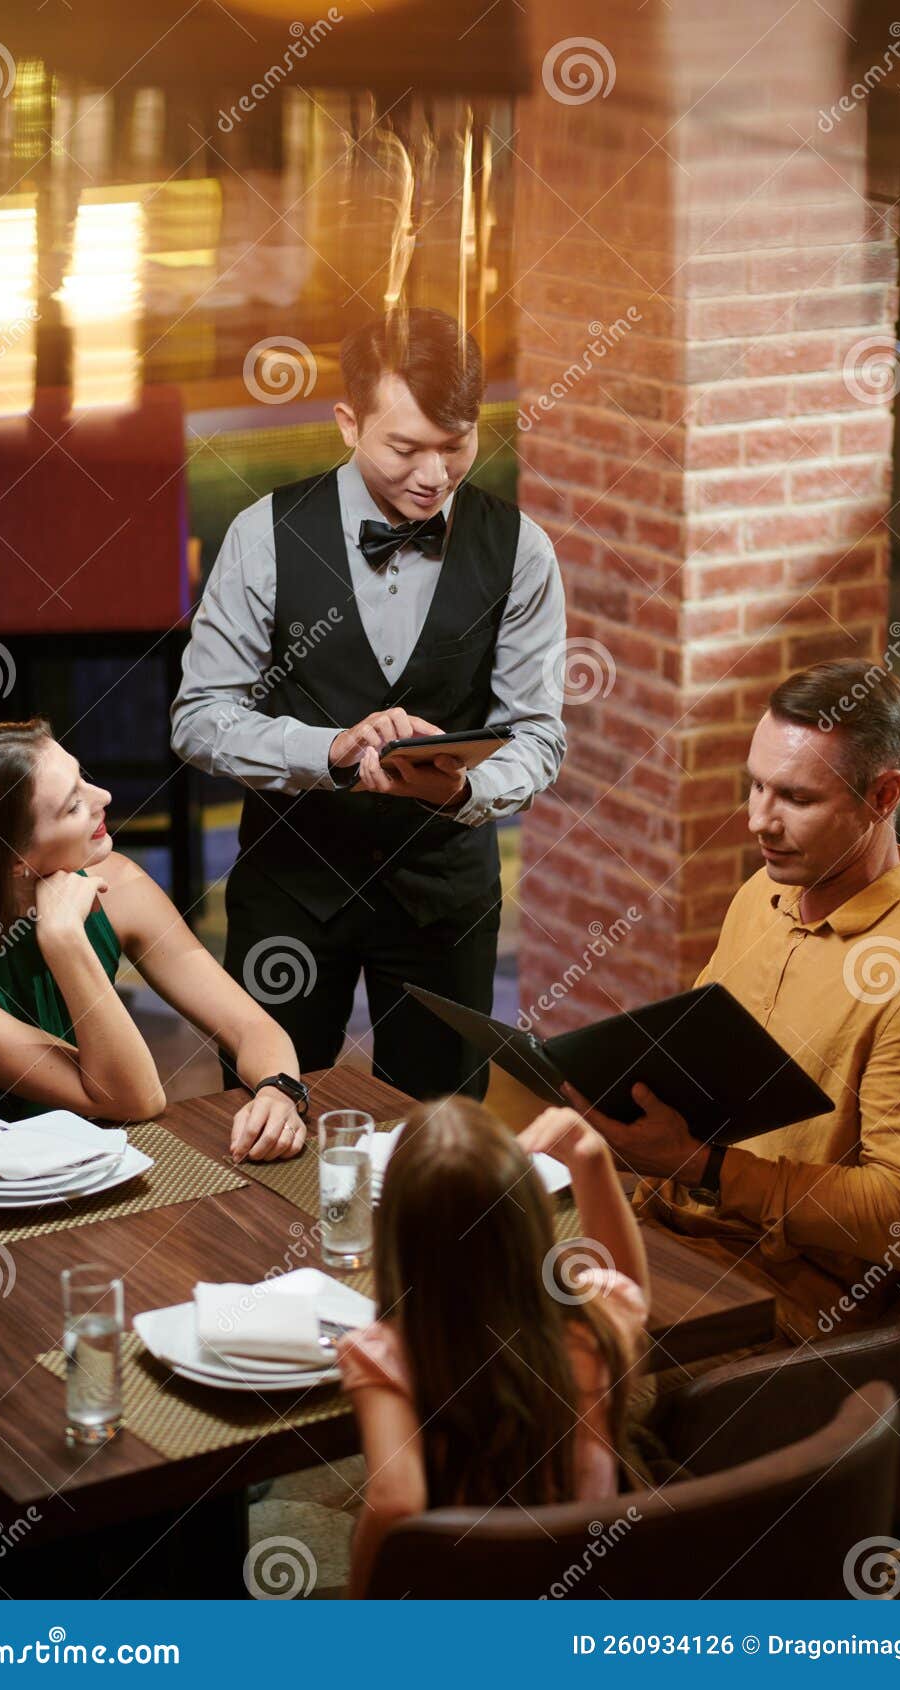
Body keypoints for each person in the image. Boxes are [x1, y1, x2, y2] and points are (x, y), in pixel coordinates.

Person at [171, 306, 566, 1102]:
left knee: (440, 1136)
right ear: (347, 422)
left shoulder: (519, 549)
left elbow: (537, 733)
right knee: (265, 1116)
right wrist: (327, 751)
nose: (433, 474)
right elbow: (200, 717)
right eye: (405, 448)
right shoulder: (263, 533)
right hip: (292, 882)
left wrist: (465, 788)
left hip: (442, 892)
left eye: (455, 445)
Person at [563, 659, 900, 1342]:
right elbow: (692, 1074)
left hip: (772, 1300)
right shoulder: (763, 896)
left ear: (883, 795)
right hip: (663, 1231)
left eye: (795, 799)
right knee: (468, 1277)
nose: (757, 821)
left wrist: (700, 1167)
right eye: (754, 787)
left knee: (535, 1363)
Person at [0, 720, 307, 1161]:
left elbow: (252, 1027)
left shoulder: (118, 886)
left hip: (92, 1174)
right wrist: (64, 939)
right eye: (73, 806)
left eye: (83, 780)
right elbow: (134, 1098)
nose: (103, 798)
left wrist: (277, 1091)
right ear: (14, 859)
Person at [335, 1097, 650, 1597]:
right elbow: (628, 1284)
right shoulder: (593, 1325)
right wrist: (592, 1160)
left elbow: (395, 1502)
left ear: (397, 1235)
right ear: (532, 1226)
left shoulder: (385, 1355)